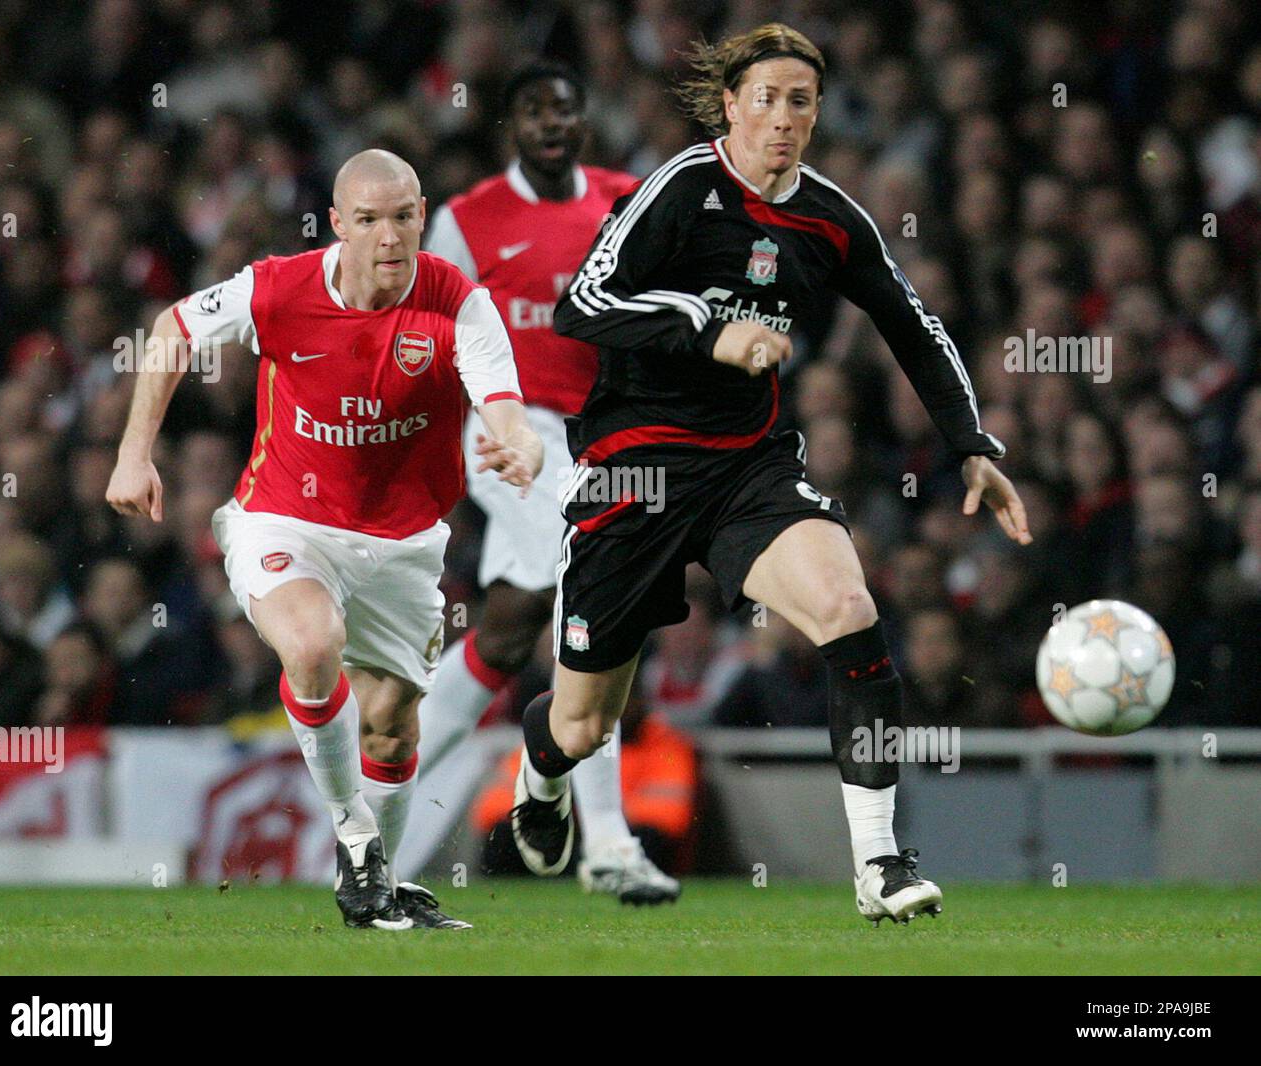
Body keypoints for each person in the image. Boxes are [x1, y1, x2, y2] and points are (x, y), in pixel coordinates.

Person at [508, 23, 1032, 925]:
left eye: (801, 102)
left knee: (849, 609)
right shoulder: (681, 188)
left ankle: (879, 864)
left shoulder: (830, 217)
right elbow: (582, 303)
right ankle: (541, 774)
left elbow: (911, 322)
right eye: (766, 100)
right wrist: (709, 329)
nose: (784, 119)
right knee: (582, 725)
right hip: (633, 474)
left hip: (750, 467)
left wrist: (972, 444)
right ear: (730, 106)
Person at [106, 149, 542, 931]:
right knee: (312, 645)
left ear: (421, 218)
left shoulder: (457, 303)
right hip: (285, 521)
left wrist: (519, 443)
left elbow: (503, 398)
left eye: (404, 217)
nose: (388, 237)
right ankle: (356, 841)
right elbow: (172, 328)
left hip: (404, 543)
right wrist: (135, 452)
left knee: (393, 721)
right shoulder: (278, 288)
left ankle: (381, 891)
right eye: (368, 220)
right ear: (338, 225)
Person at [422, 62, 679, 903]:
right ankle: (606, 843)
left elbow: (666, 303)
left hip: (601, 436)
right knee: (590, 596)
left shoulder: (625, 198)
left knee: (507, 630)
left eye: (564, 108)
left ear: (583, 121)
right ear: (512, 127)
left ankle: (363, 792)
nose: (550, 123)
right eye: (534, 110)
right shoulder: (467, 221)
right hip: (510, 430)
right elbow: (429, 332)